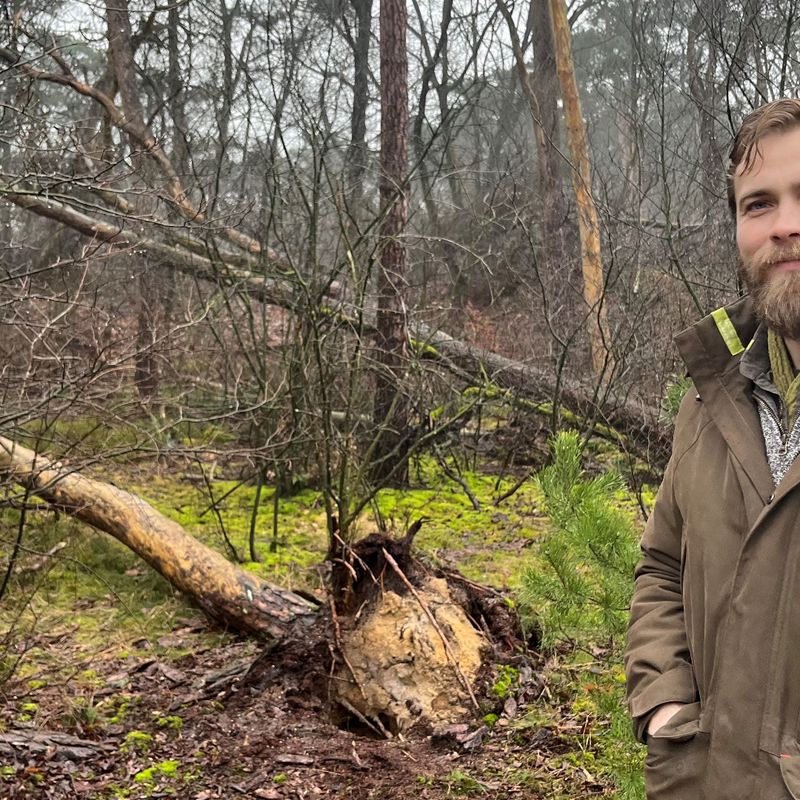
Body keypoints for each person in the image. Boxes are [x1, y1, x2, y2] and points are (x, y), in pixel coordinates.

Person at [625, 97, 800, 800]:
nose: (785, 226)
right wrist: (667, 704)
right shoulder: (710, 398)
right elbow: (661, 565)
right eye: (759, 205)